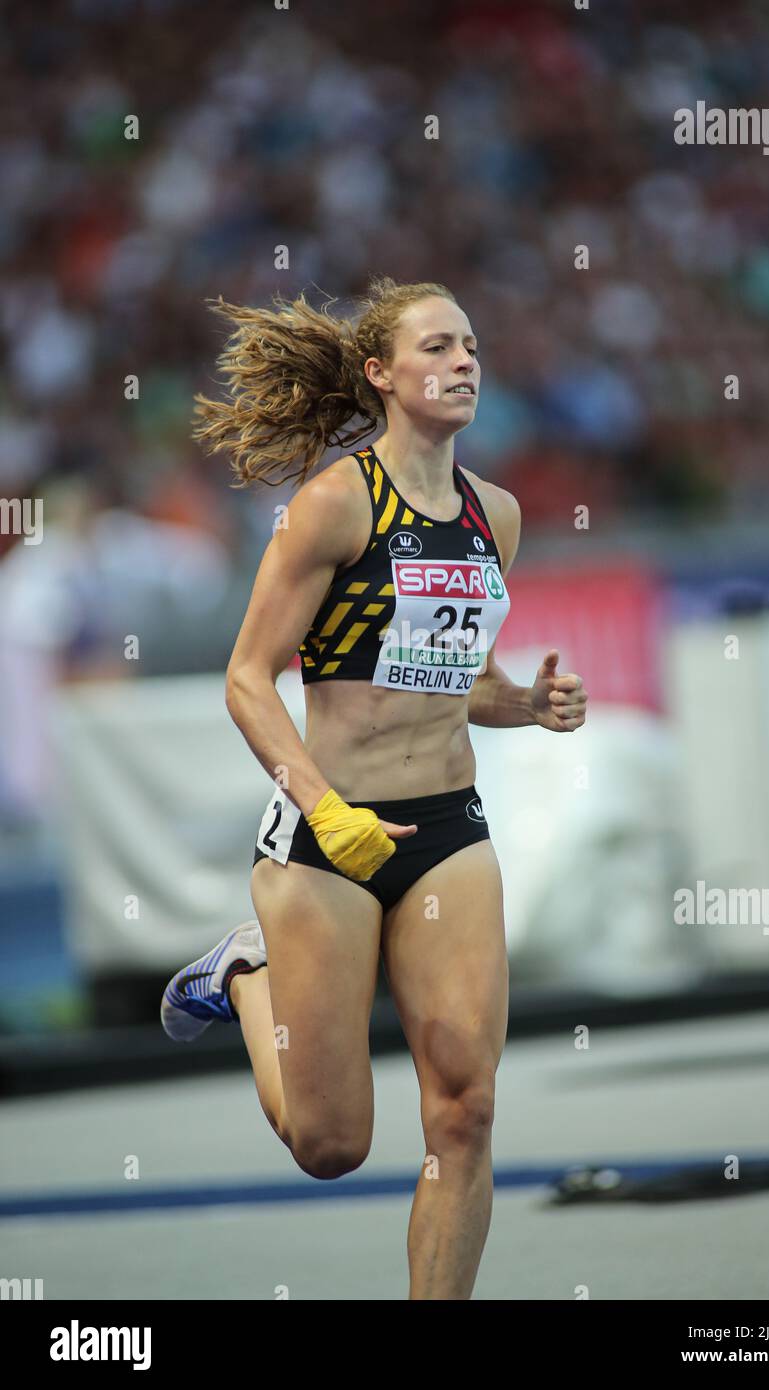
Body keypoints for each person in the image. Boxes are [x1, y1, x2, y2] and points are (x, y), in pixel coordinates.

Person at [160, 275, 587, 1299]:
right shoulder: (333, 504)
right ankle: (242, 973)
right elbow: (246, 678)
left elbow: (454, 683)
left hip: (448, 829)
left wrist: (522, 705)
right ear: (380, 373)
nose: (463, 363)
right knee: (329, 1144)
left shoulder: (498, 515)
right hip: (326, 842)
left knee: (464, 1109)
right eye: (437, 347)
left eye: (472, 346)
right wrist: (323, 808)